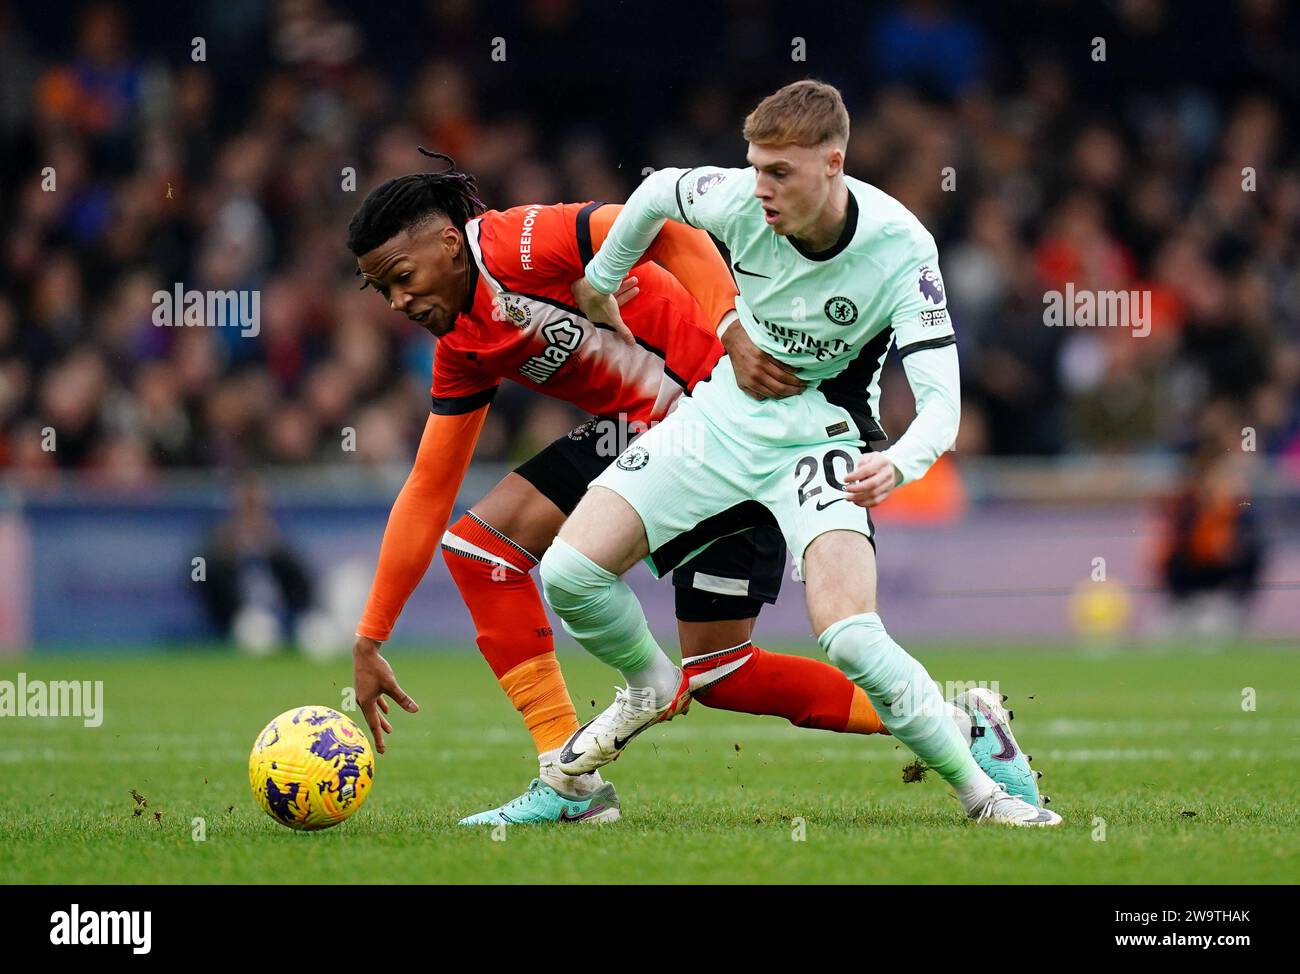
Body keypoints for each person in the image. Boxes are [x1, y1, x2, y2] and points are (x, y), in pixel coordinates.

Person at [344, 150, 953, 826]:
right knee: (706, 663)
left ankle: (573, 785)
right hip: (653, 433)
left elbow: (667, 228)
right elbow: (430, 485)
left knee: (502, 558)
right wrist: (371, 636)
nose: (399, 301)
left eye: (402, 277)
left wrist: (729, 324)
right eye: (384, 291)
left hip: (728, 419)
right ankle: (954, 721)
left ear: (449, 244)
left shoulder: (521, 243)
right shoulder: (463, 343)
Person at [541, 81, 1056, 826]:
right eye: (756, 167)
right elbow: (654, 192)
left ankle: (984, 795)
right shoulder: (739, 202)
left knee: (849, 635)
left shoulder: (901, 248)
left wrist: (899, 464)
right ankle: (649, 686)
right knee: (569, 574)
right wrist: (602, 280)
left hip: (822, 439)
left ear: (833, 165)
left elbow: (943, 404)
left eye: (779, 172)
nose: (762, 188)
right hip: (720, 419)